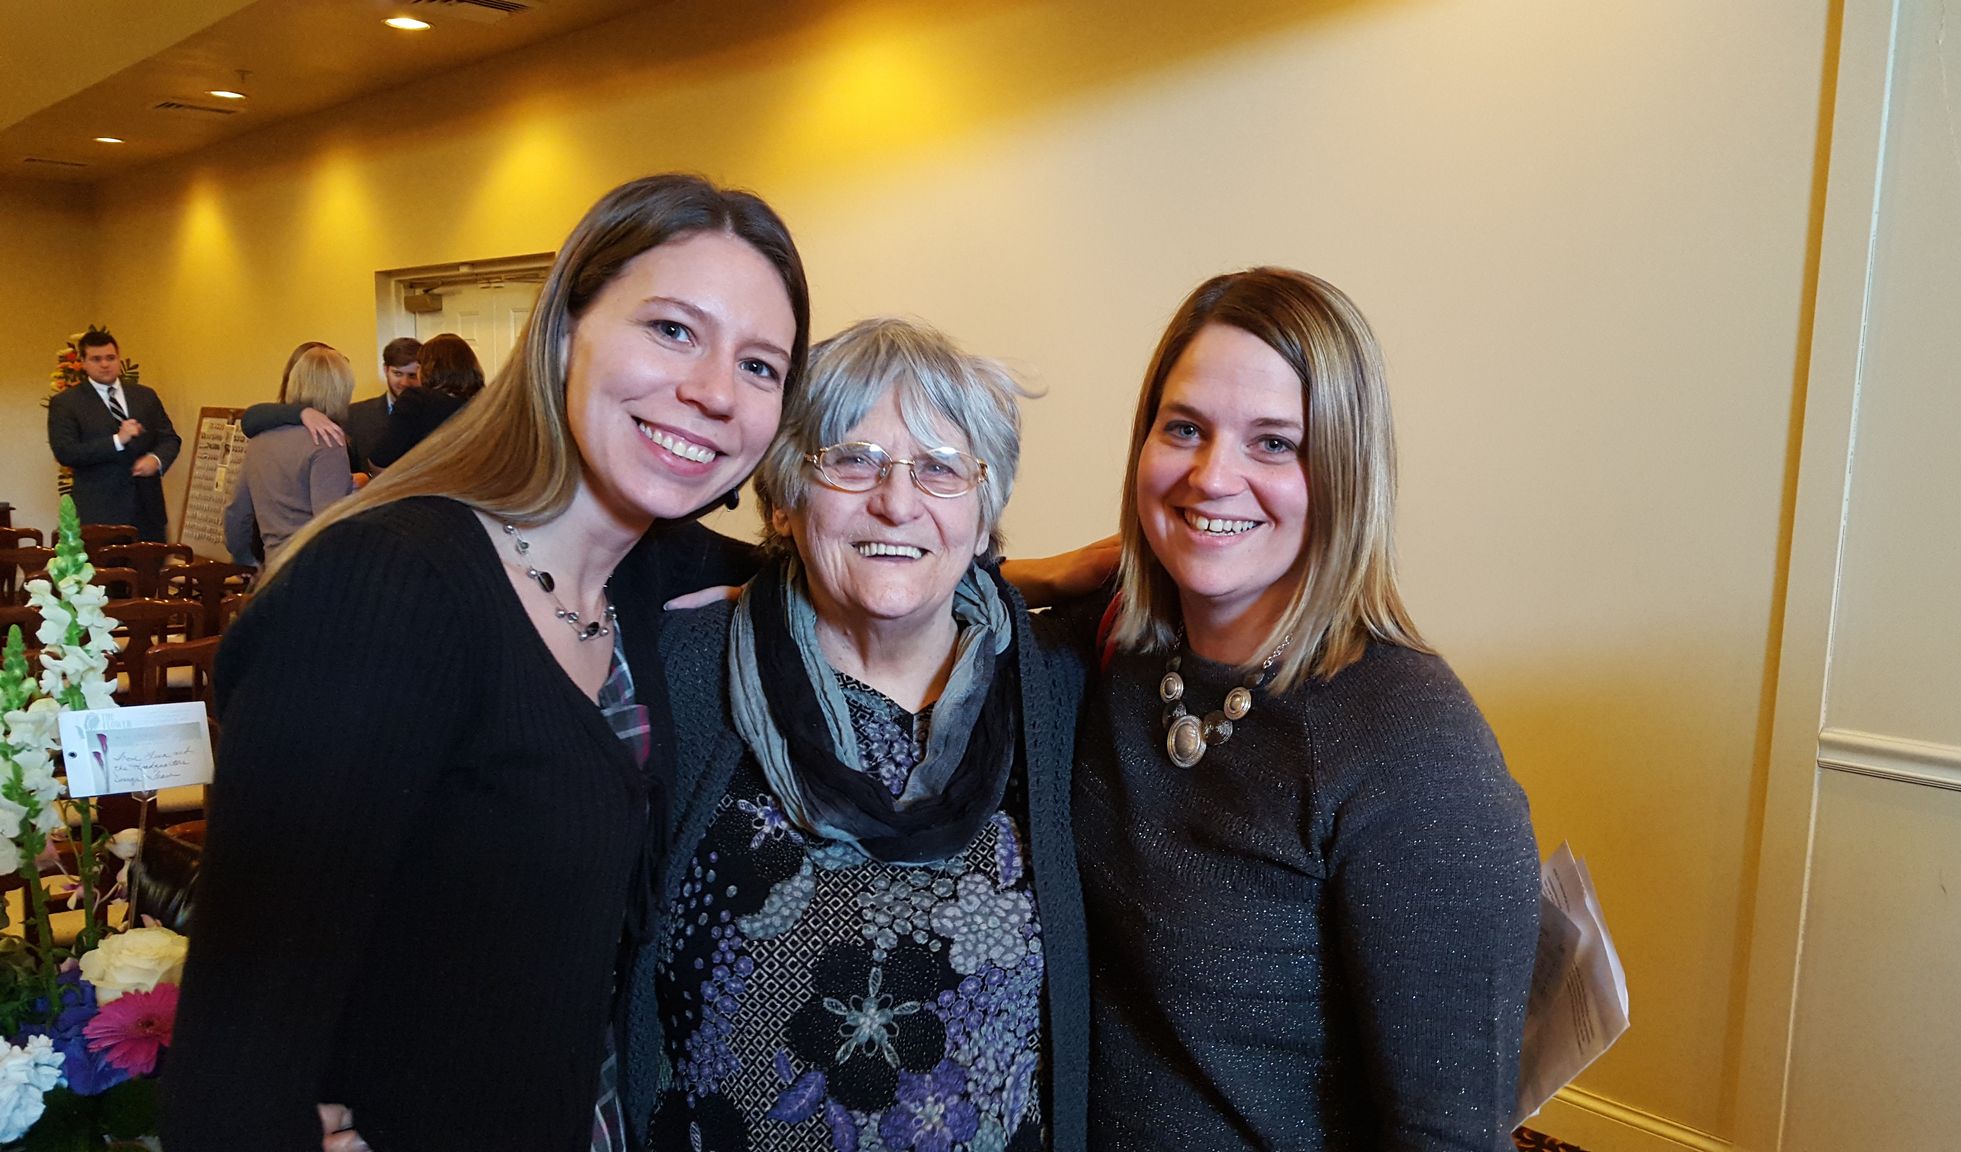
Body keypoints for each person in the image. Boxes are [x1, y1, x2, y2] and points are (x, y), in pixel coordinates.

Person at [162, 172, 810, 1152]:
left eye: (760, 366)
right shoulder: (385, 589)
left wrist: (1040, 579)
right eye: (673, 330)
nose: (716, 392)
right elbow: (237, 1058)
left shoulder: (645, 568)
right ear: (563, 335)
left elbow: (847, 574)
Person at [1073, 268, 1539, 1148]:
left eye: (1275, 443)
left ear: (1345, 474)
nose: (1213, 476)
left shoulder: (1417, 751)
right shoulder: (1118, 650)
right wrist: (1045, 573)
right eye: (1185, 428)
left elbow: (1447, 1135)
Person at [625, 318, 1089, 1152]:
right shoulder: (683, 672)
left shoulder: (1056, 691)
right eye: (853, 461)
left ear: (983, 514)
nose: (897, 502)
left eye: (941, 468)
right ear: (784, 499)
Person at [223, 346, 357, 567]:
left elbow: (236, 512)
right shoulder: (328, 442)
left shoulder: (260, 439)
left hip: (273, 565)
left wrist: (246, 561)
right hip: (310, 569)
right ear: (340, 390)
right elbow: (329, 528)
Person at [45, 329, 182, 540]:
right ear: (83, 362)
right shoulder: (66, 403)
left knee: (151, 562)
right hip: (100, 512)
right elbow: (66, 452)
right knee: (107, 563)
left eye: (110, 358)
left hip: (147, 510)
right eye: (96, 359)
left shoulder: (144, 396)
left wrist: (156, 460)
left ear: (118, 359)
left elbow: (169, 439)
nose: (105, 364)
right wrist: (117, 440)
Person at [367, 332, 485, 469]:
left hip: (425, 481)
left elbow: (381, 458)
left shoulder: (416, 401)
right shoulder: (484, 402)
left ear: (429, 369)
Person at [348, 337, 420, 473]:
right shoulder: (354, 415)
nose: (404, 383)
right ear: (385, 370)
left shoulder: (435, 415)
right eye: (397, 374)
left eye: (412, 376)